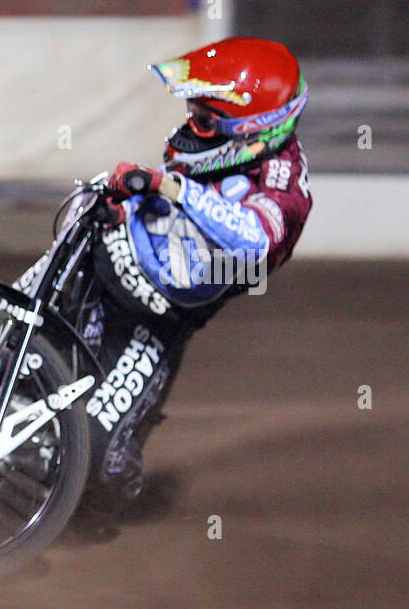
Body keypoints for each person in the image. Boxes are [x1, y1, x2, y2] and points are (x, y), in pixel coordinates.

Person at [76, 36, 313, 512]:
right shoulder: (225, 150)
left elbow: (256, 239)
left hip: (160, 315)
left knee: (98, 467)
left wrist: (171, 186)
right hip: (115, 262)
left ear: (252, 130)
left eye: (205, 120)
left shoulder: (282, 187)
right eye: (193, 113)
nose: (190, 127)